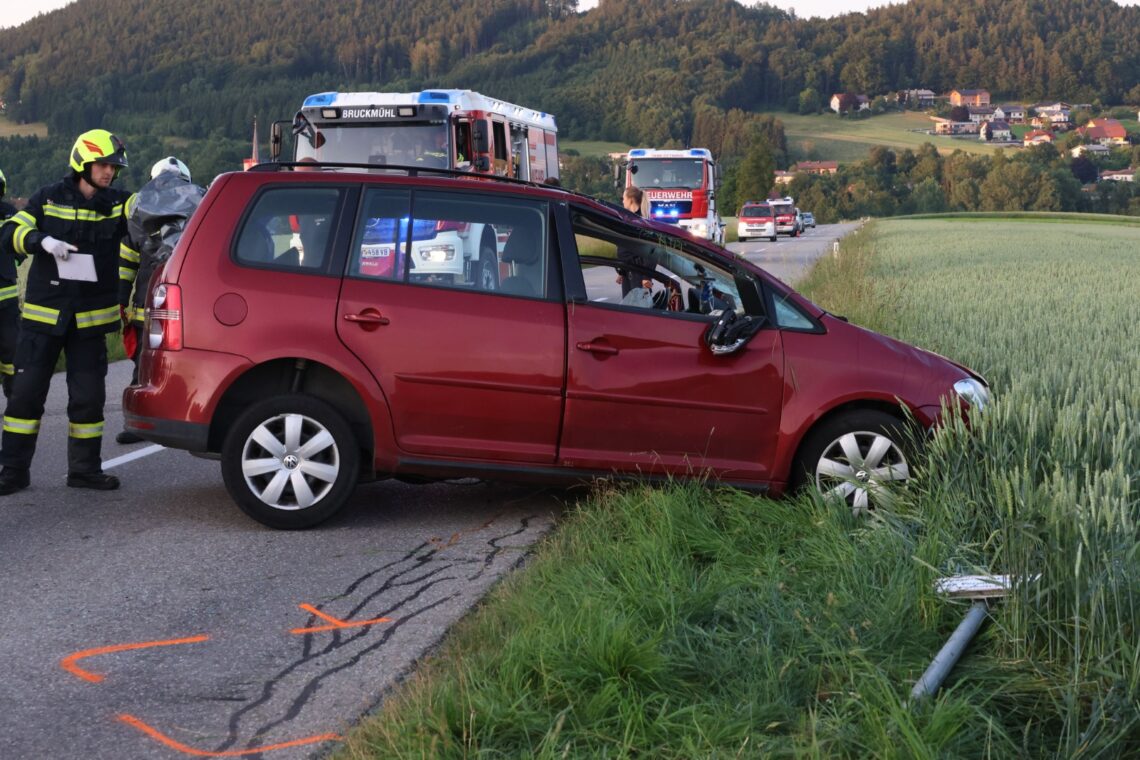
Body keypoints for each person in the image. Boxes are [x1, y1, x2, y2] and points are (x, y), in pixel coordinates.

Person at [0, 129, 132, 494]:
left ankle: (85, 471)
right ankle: (12, 471)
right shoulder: (47, 199)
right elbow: (11, 232)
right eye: (102, 165)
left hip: (89, 323)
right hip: (43, 320)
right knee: (25, 397)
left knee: (88, 400)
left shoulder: (119, 204)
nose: (109, 172)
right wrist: (40, 240)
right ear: (83, 163)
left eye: (113, 167)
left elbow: (146, 215)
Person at [114, 156, 205, 444]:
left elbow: (128, 258)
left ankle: (138, 424)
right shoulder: (202, 198)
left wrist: (119, 296)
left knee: (143, 363)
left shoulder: (137, 204)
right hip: (187, 296)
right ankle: (190, 416)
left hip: (148, 297)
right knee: (190, 361)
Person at [0, 168, 19, 399]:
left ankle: (15, 399)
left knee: (13, 354)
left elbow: (22, 241)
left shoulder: (9, 215)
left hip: (7, 302)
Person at [615, 186, 653, 297]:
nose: (622, 201)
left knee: (639, 310)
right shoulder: (628, 220)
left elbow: (651, 251)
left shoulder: (641, 223)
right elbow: (625, 248)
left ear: (630, 199)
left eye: (624, 198)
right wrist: (621, 271)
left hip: (638, 275)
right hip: (628, 273)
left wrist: (646, 276)